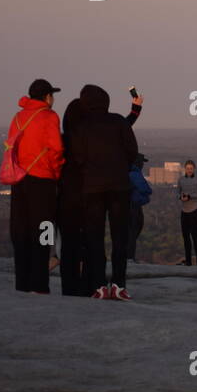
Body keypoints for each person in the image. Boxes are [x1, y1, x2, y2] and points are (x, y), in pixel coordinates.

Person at [59, 89, 142, 296]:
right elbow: (133, 151)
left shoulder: (82, 127)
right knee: (119, 238)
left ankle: (98, 286)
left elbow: (77, 157)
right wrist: (119, 166)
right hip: (119, 187)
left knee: (95, 238)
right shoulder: (118, 122)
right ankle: (118, 285)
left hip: (92, 188)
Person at [5, 78, 65, 293]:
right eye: (52, 95)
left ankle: (21, 283)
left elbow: (11, 147)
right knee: (44, 231)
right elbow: (56, 149)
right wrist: (56, 173)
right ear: (47, 97)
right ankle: (40, 284)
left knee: (20, 230)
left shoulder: (18, 117)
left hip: (20, 181)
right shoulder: (49, 116)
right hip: (43, 181)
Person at [176, 160, 197, 266]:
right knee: (185, 235)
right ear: (185, 169)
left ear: (194, 169)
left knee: (194, 234)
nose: (189, 170)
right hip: (184, 210)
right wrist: (181, 197)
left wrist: (190, 197)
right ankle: (188, 260)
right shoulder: (180, 179)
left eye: (191, 169)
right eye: (187, 168)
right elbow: (177, 192)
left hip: (196, 209)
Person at [127, 154, 152, 263]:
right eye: (142, 162)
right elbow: (146, 189)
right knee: (133, 231)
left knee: (133, 231)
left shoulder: (130, 172)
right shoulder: (135, 174)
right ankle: (129, 257)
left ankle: (129, 256)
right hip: (133, 206)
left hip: (132, 205)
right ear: (138, 162)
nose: (143, 164)